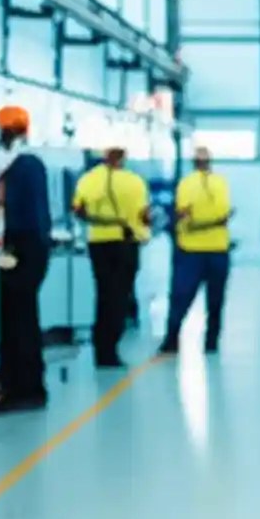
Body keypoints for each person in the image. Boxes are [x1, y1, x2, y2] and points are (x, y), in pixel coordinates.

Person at [0, 105, 53, 413]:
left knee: (16, 317)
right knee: (24, 315)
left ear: (6, 132)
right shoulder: (33, 163)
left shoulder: (17, 166)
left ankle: (21, 388)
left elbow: (3, 207)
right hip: (33, 249)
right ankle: (25, 384)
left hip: (18, 250)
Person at [72, 146, 150, 368]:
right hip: (126, 243)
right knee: (120, 295)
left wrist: (99, 218)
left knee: (104, 293)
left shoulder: (88, 180)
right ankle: (110, 350)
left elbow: (78, 210)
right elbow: (144, 215)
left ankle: (101, 348)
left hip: (98, 243)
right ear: (123, 158)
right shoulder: (134, 181)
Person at [158, 147, 232, 355]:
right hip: (218, 249)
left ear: (193, 163)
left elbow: (182, 213)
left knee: (181, 297)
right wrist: (213, 222)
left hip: (190, 250)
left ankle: (171, 340)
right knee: (215, 300)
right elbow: (223, 214)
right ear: (210, 162)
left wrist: (194, 224)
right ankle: (211, 343)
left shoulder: (186, 183)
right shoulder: (220, 183)